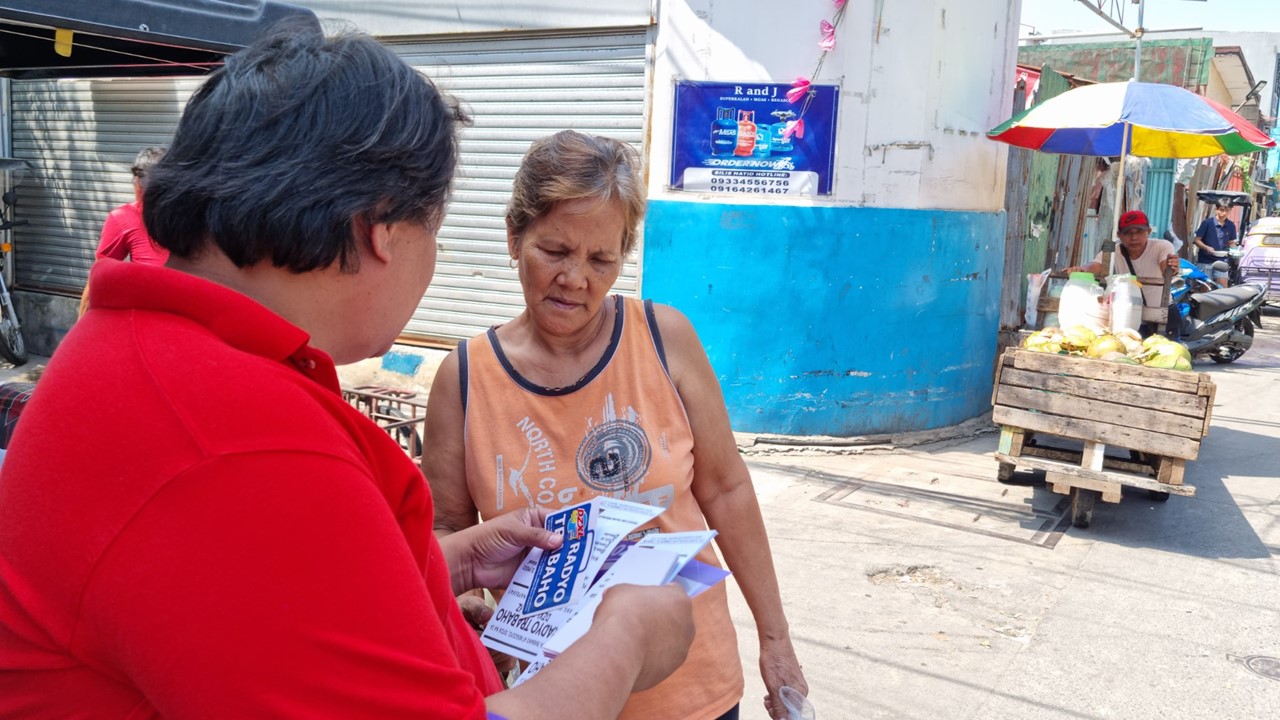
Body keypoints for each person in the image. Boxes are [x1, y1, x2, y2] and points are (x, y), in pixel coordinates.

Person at [0, 27, 694, 720]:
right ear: (382, 229)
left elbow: (254, 603)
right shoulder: (238, 442)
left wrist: (441, 565)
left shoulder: (155, 351)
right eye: (437, 233)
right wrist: (625, 638)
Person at [422, 129, 808, 720]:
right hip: (546, 699)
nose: (576, 279)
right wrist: (472, 606)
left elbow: (727, 490)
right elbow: (447, 529)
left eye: (601, 259)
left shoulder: (664, 339)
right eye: (554, 251)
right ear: (513, 238)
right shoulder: (466, 376)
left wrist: (776, 640)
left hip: (692, 690)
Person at [78, 146, 169, 316]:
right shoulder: (199, 217)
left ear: (138, 184)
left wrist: (76, 337)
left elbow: (98, 283)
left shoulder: (125, 217)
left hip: (151, 320)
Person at [1066, 209, 1180, 335]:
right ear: (1119, 235)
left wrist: (1172, 267)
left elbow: (1167, 269)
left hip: (1162, 317)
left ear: (1148, 232)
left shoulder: (1162, 246)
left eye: (1139, 232)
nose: (1134, 237)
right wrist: (1082, 270)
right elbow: (1096, 265)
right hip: (1128, 319)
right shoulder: (1113, 249)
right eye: (1127, 233)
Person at [1193, 199, 1237, 272]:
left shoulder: (1231, 225)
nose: (1224, 213)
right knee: (1205, 283)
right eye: (1222, 210)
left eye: (1227, 210)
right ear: (1216, 210)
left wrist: (1235, 251)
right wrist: (1206, 247)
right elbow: (1196, 240)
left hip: (1222, 261)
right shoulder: (1207, 223)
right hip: (1205, 261)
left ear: (1230, 210)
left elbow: (1231, 242)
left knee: (1222, 283)